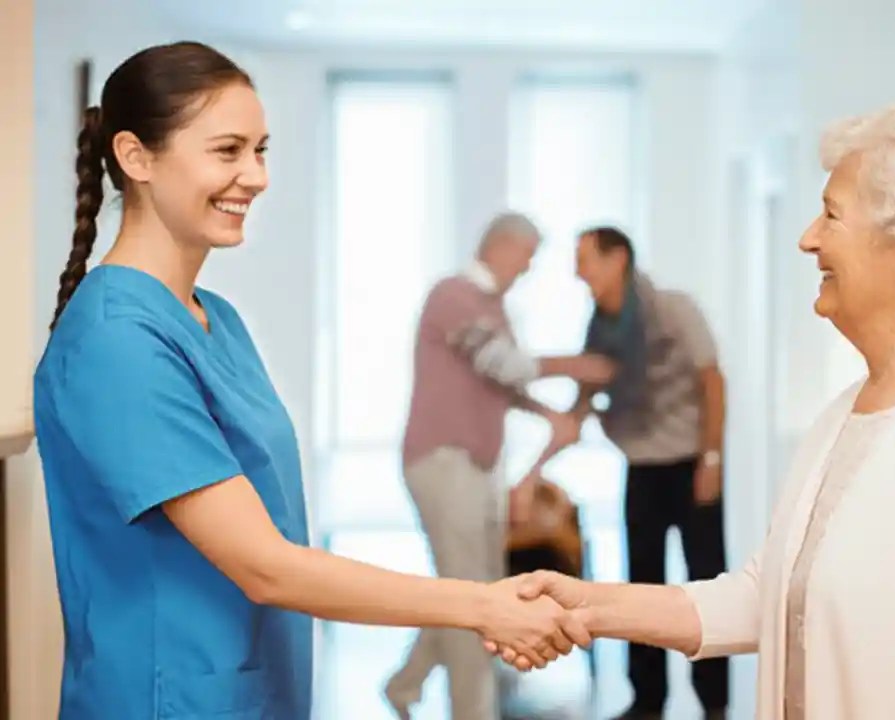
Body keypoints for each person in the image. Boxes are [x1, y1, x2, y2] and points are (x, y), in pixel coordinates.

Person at [32, 42, 586, 720]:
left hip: (256, 689)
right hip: (168, 698)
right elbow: (265, 565)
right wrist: (482, 604)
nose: (255, 176)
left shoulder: (218, 321)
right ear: (136, 156)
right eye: (227, 150)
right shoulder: (116, 340)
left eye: (260, 150)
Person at [495, 102, 895, 718]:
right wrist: (588, 605)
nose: (807, 237)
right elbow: (767, 598)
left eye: (832, 214)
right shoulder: (845, 413)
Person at [384, 213, 615, 720]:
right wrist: (573, 366)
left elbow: (502, 383)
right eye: (527, 256)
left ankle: (404, 685)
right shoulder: (454, 296)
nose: (528, 268)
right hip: (444, 462)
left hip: (475, 468)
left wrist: (549, 414)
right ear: (504, 247)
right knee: (473, 596)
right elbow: (503, 363)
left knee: (472, 585)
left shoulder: (492, 308)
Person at [522, 225, 729, 719]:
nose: (578, 272)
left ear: (618, 261)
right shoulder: (601, 330)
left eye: (586, 259)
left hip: (691, 465)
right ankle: (648, 700)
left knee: (706, 586)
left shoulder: (674, 311)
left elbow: (712, 381)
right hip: (641, 470)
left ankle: (715, 704)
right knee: (641, 588)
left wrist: (712, 458)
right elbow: (579, 410)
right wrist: (530, 474)